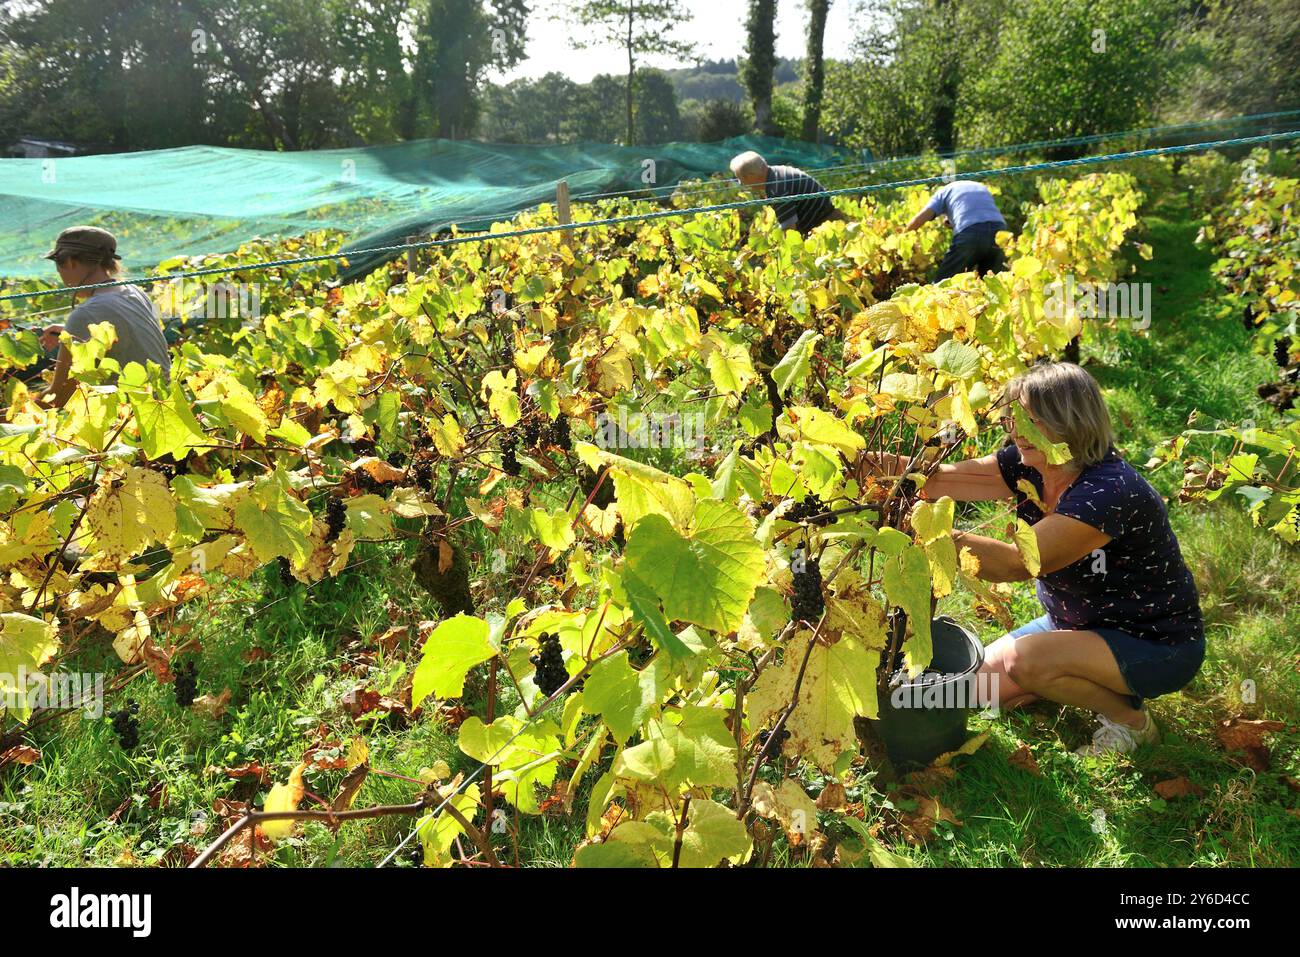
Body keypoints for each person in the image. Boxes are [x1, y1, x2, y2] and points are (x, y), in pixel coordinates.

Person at [870, 362, 1205, 756]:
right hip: (1073, 624)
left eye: (1031, 420)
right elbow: (937, 479)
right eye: (1013, 418)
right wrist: (864, 465)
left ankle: (1131, 721)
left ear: (1069, 420)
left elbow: (1019, 563)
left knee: (1025, 663)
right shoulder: (1030, 462)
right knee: (973, 692)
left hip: (1153, 643)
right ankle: (1062, 672)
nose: (1016, 430)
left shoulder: (1109, 492)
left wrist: (926, 532)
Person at [37, 226, 171, 409]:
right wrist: (69, 330)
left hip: (127, 421)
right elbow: (132, 335)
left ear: (69, 262)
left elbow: (59, 397)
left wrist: (19, 409)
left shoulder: (85, 315)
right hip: (164, 403)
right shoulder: (133, 292)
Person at [906, 179, 1007, 281]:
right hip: (1000, 232)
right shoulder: (979, 186)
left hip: (971, 232)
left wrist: (904, 235)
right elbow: (979, 216)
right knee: (991, 285)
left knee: (943, 283)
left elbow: (919, 220)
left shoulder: (942, 192)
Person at [729, 151, 847, 236]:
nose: (740, 183)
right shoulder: (776, 173)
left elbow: (790, 230)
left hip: (828, 228)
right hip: (828, 223)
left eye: (740, 178)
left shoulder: (777, 188)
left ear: (752, 176)